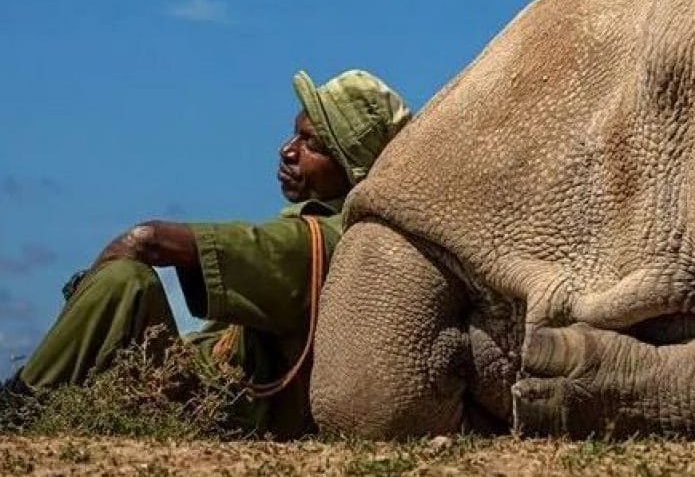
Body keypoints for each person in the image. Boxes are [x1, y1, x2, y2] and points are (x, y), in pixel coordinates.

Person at [7, 68, 410, 438]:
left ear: (350, 167)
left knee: (125, 281)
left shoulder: (320, 240)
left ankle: (14, 414)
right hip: (210, 388)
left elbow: (147, 240)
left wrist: (98, 284)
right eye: (294, 135)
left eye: (312, 144)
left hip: (222, 407)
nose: (288, 151)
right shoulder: (350, 235)